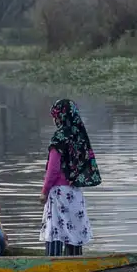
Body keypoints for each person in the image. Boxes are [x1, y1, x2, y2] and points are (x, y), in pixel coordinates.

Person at [41, 99, 101, 257]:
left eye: (55, 116)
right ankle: (74, 263)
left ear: (60, 117)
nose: (54, 120)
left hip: (59, 192)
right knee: (74, 229)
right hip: (74, 192)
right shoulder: (78, 136)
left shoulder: (59, 137)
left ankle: (52, 264)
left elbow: (53, 169)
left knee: (55, 230)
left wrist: (44, 192)